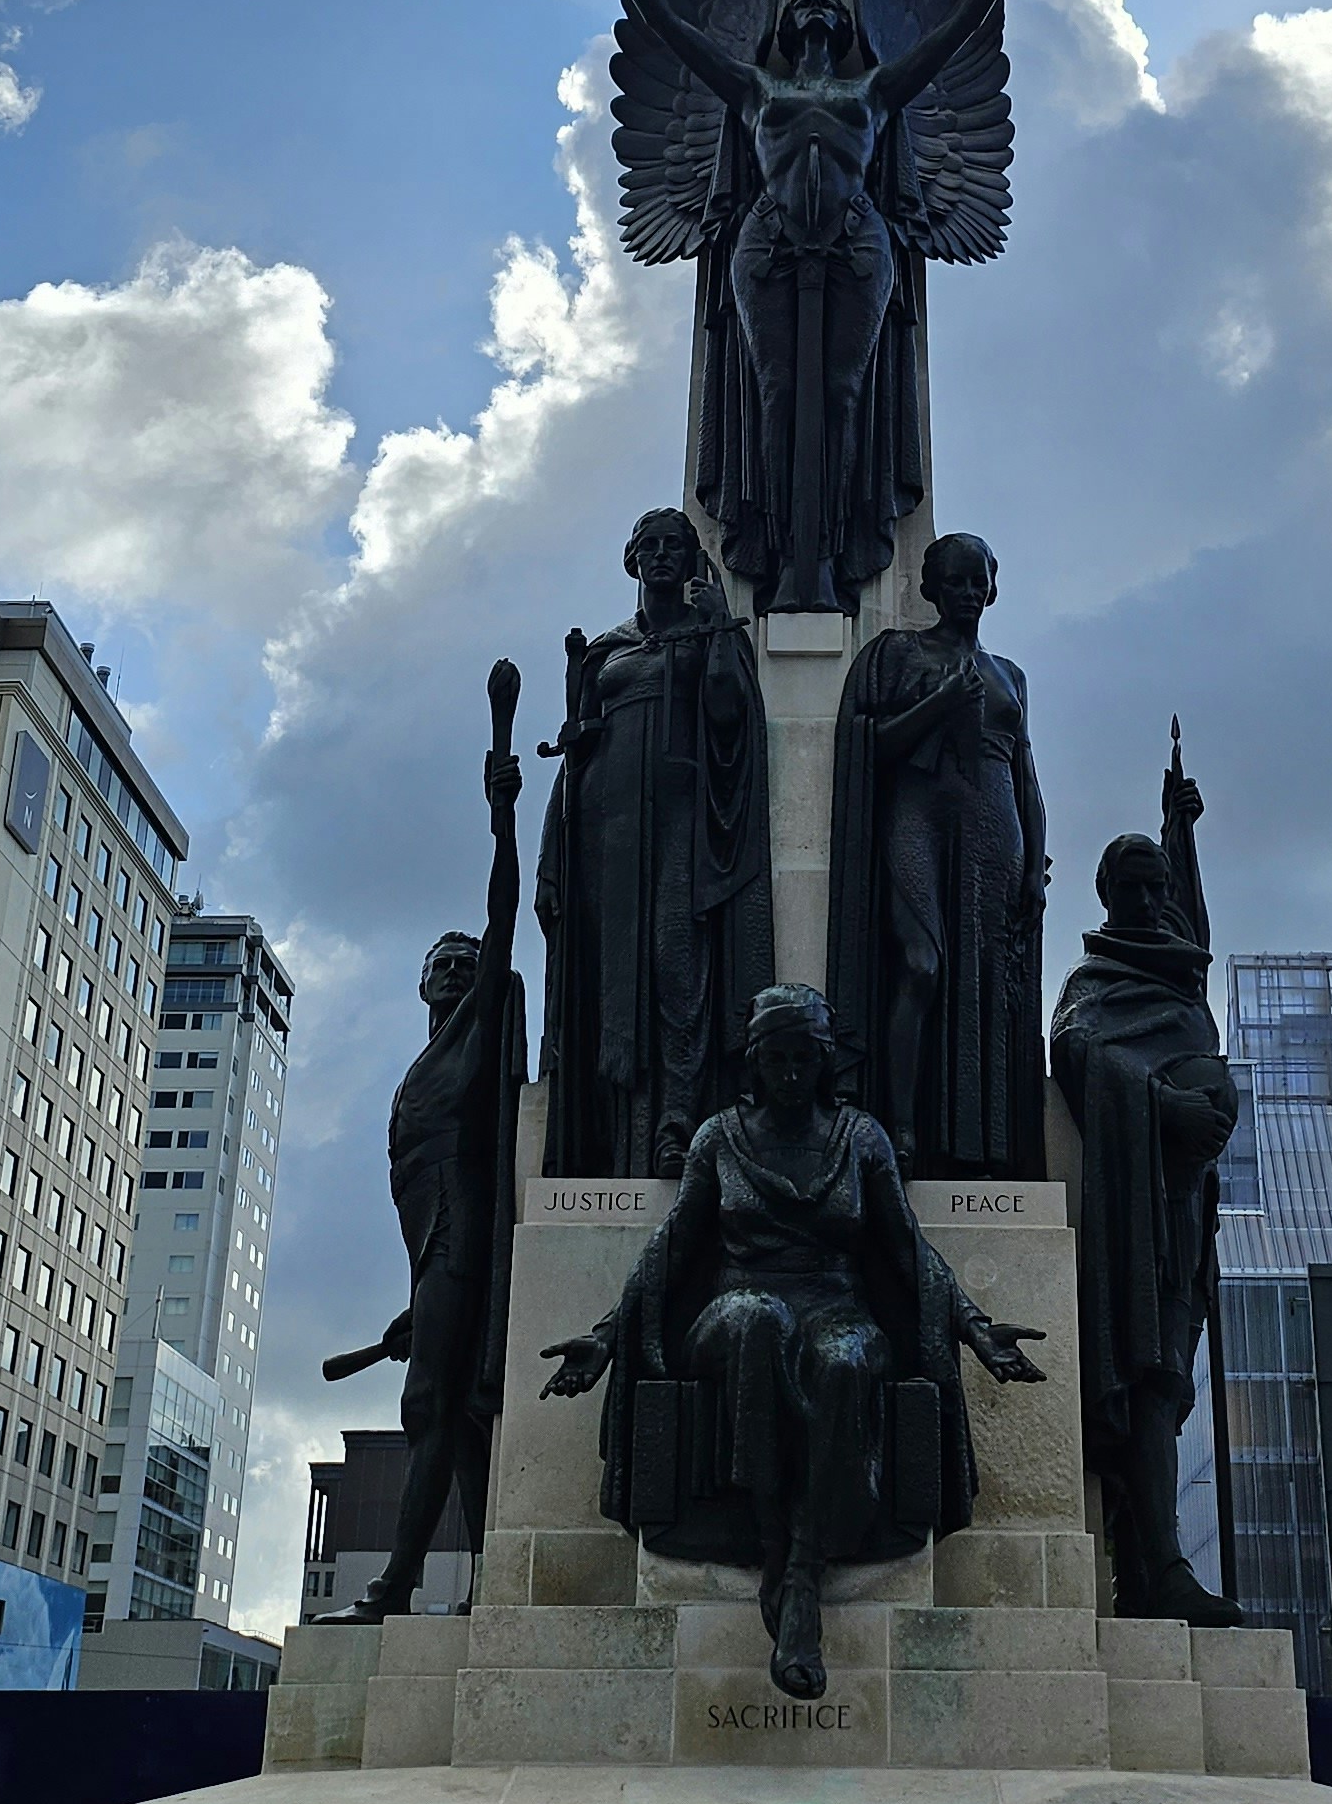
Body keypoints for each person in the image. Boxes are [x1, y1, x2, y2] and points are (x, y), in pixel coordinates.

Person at [543, 982, 1041, 1697]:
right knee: (758, 1322)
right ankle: (777, 1538)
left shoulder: (860, 1138)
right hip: (736, 1303)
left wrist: (975, 1326)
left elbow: (908, 1249)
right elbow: (674, 1247)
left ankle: (798, 1573)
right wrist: (607, 1336)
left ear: (823, 1061)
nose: (787, 1073)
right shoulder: (718, 1137)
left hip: (836, 1303)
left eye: (801, 1058)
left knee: (843, 1360)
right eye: (774, 1057)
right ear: (754, 1060)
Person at [574, 0, 1048, 608]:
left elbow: (958, 24)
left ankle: (830, 547)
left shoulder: (876, 91)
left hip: (858, 240)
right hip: (768, 242)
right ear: (789, 30)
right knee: (771, 394)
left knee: (845, 391)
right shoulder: (756, 91)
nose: (818, 9)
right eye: (806, 6)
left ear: (846, 29)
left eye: (830, 6)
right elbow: (671, 25)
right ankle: (778, 546)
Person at [325, 666, 527, 1619]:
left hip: (467, 1235)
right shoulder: (414, 1073)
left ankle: (399, 1584)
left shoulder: (483, 1027)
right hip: (434, 1253)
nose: (454, 971)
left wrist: (501, 814)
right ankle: (464, 1584)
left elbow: (503, 913)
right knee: (462, 1419)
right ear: (419, 986)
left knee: (434, 1413)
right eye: (439, 965)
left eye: (465, 964)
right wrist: (418, 1301)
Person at [1049, 755, 1240, 1626]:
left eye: (1159, 884)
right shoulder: (1096, 983)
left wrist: (1182, 833)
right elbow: (1081, 1052)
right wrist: (1163, 1106)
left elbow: (1191, 926)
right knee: (1148, 1377)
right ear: (1106, 895)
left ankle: (1151, 1566)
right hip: (1138, 1210)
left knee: (1167, 1381)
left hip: (1184, 1204)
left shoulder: (1174, 968)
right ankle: (1152, 1566)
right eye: (1135, 886)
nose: (1151, 899)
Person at [535, 511, 772, 1175]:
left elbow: (730, 711)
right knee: (612, 980)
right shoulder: (606, 651)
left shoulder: (708, 638)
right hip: (604, 831)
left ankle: (676, 1124)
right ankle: (613, 1131)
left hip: (679, 828)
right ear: (631, 558)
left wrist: (723, 619)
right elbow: (573, 757)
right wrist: (552, 859)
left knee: (678, 971)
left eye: (676, 546)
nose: (663, 556)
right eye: (651, 546)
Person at [827, 531, 1048, 1173]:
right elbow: (869, 747)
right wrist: (939, 705)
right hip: (917, 815)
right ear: (931, 588)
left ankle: (980, 1135)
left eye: (978, 582)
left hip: (993, 823)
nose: (969, 594)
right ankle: (900, 1125)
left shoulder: (1010, 675)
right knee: (921, 965)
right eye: (955, 581)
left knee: (983, 982)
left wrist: (1035, 867)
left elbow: (1027, 775)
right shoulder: (897, 655)